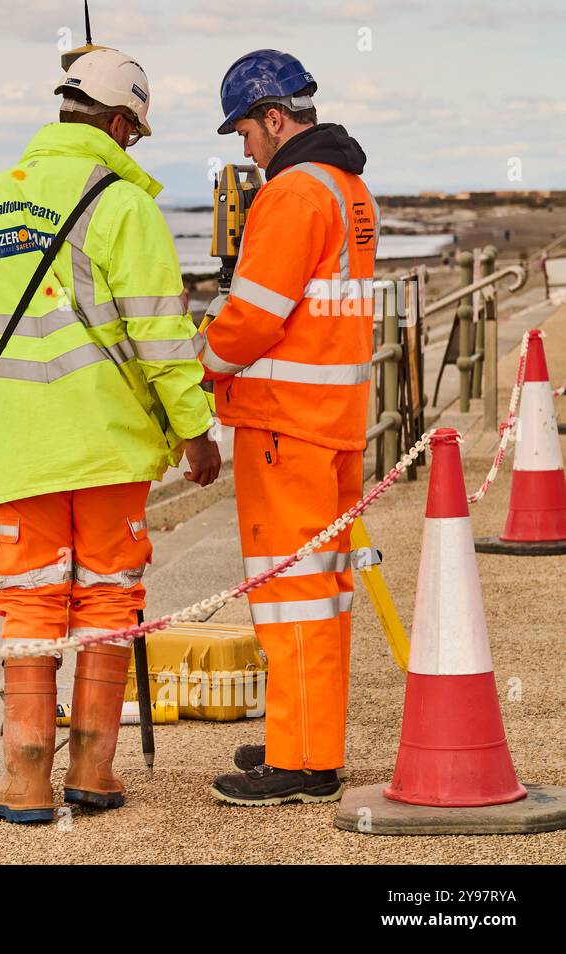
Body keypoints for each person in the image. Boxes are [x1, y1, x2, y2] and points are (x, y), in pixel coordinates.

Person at [0, 47, 220, 823]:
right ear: (122, 122)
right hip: (109, 446)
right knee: (108, 599)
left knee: (29, 603)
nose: (134, 148)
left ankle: (25, 780)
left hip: (19, 445)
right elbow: (164, 340)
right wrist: (196, 434)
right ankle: (94, 772)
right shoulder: (125, 207)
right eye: (136, 134)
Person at [199, 50, 378, 806]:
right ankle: (304, 736)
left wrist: (200, 365)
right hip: (334, 422)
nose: (243, 147)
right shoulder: (349, 188)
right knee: (324, 593)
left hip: (283, 428)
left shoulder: (290, 195)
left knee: (290, 596)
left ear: (275, 117)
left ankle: (302, 764)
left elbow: (252, 320)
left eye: (244, 130)